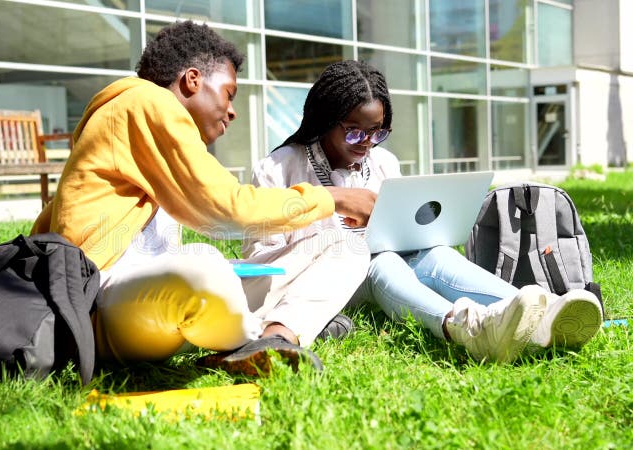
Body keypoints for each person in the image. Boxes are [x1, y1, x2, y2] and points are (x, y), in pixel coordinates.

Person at [31, 21, 373, 376]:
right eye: (229, 93)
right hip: (102, 307)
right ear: (192, 80)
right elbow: (228, 209)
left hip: (158, 310)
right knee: (203, 262)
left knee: (344, 247)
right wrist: (334, 197)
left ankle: (276, 336)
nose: (232, 111)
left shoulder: (144, 126)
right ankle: (259, 331)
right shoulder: (144, 101)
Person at [245, 60, 604, 363]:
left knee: (436, 254)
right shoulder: (278, 168)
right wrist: (334, 231)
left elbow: (403, 230)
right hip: (324, 282)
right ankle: (468, 328)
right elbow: (262, 260)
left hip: (393, 265)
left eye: (377, 132)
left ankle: (549, 312)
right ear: (325, 120)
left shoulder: (383, 163)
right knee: (381, 263)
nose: (367, 143)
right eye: (354, 133)